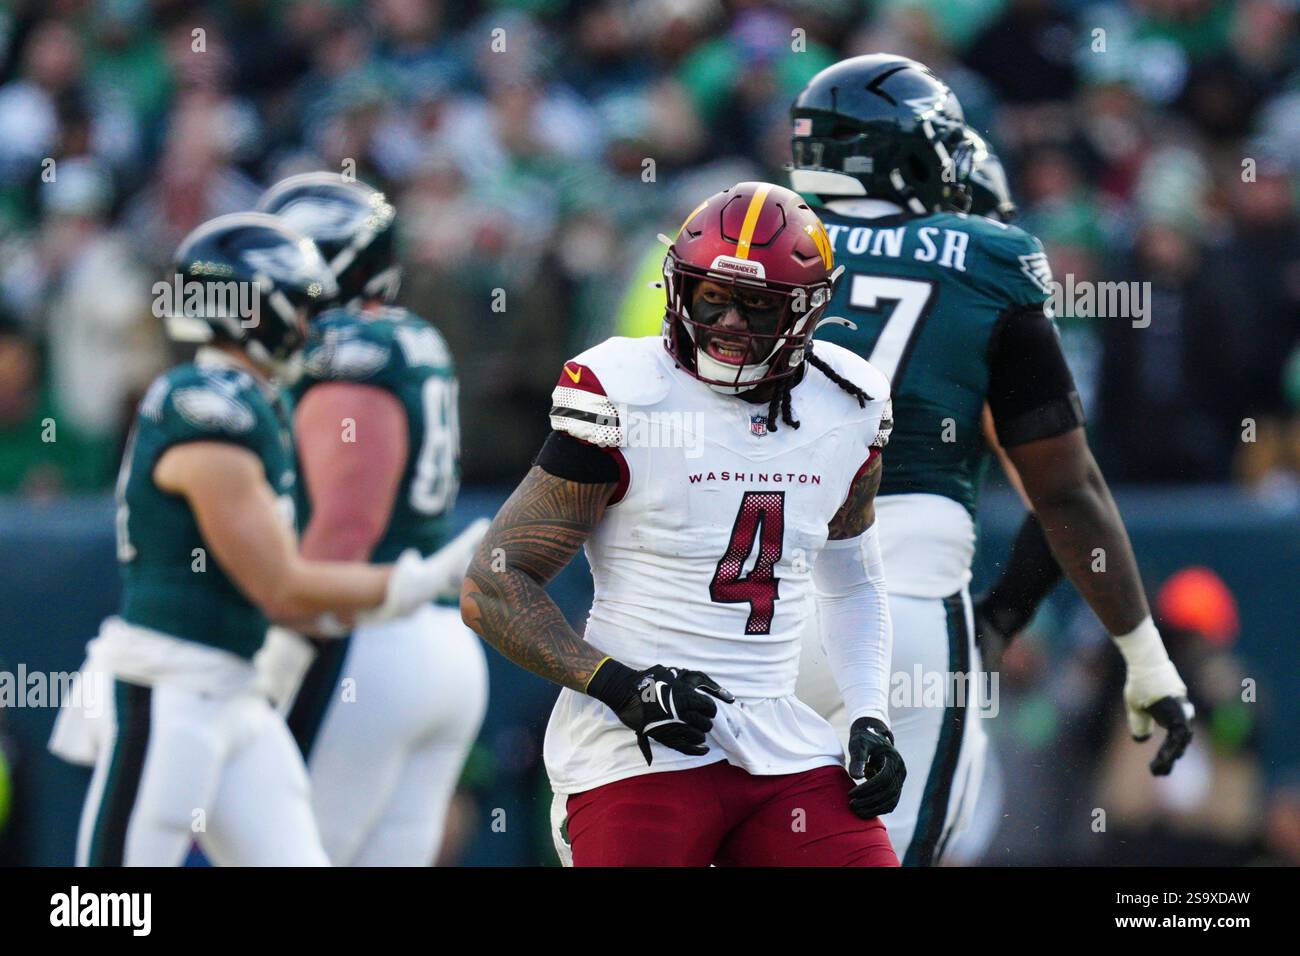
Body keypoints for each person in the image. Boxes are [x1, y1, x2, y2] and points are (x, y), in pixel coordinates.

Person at [788, 54, 1193, 866]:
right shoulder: (985, 258)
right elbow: (1066, 493)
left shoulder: (746, 236)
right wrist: (1143, 656)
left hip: (732, 609)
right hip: (899, 609)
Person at [462, 181, 903, 867]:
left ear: (809, 309)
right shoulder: (627, 392)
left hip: (778, 739)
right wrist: (623, 685)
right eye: (710, 296)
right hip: (633, 748)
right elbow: (492, 584)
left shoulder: (848, 402)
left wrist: (869, 712)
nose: (727, 321)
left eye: (756, 305)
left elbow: (853, 582)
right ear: (678, 287)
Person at [64, 212, 481, 866]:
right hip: (170, 688)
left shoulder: (253, 399)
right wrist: (412, 582)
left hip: (235, 694)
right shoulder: (205, 403)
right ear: (255, 309)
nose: (319, 324)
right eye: (306, 305)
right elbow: (279, 584)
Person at [257, 172, 488, 866]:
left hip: (359, 640)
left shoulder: (339, 351)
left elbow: (346, 527)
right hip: (430, 637)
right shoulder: (409, 337)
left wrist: (287, 643)